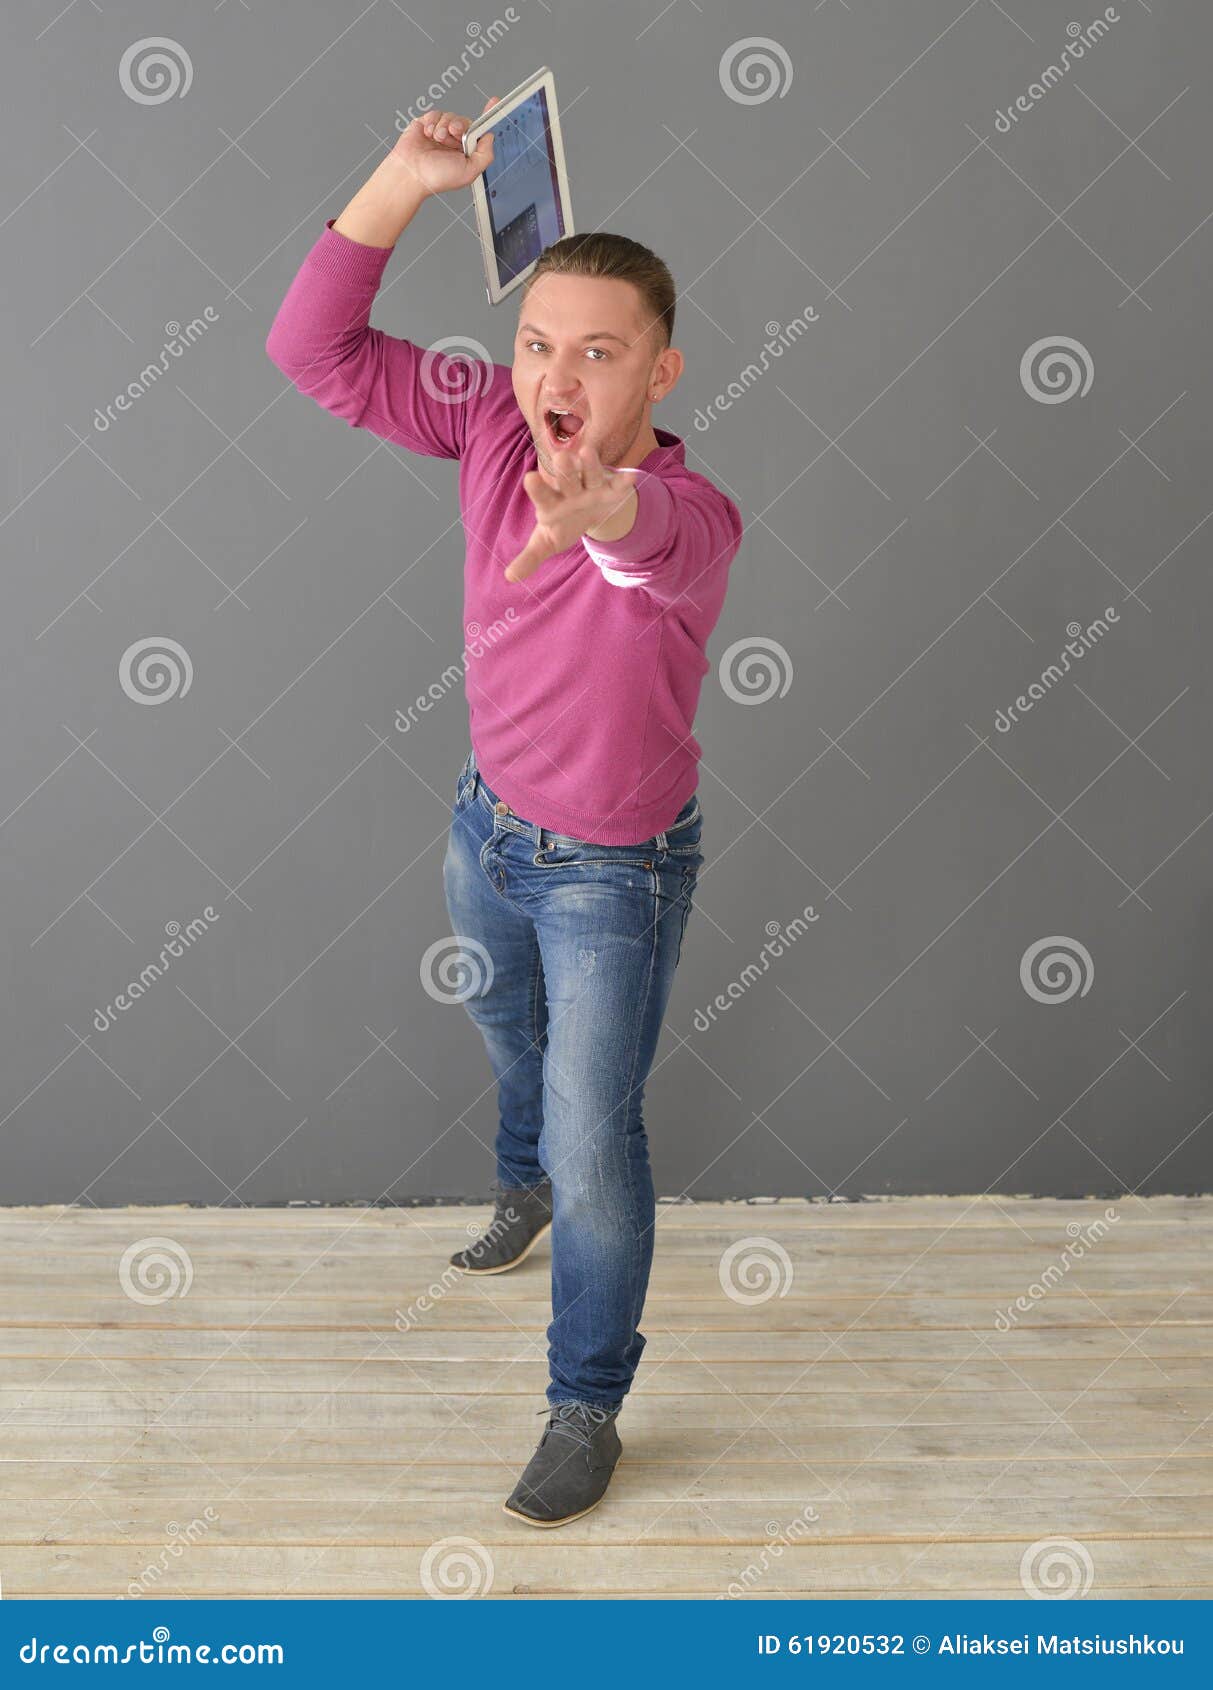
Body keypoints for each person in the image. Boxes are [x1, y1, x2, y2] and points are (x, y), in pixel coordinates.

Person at [265, 98, 744, 1528]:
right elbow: (312, 352)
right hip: (489, 828)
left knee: (600, 1132)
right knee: (502, 1026)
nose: (557, 373)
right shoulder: (483, 423)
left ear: (657, 370)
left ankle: (585, 1398)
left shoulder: (690, 513)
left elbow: (649, 550)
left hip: (614, 872)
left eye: (596, 352)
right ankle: (518, 1178)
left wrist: (600, 519)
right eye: (538, 342)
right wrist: (403, 183)